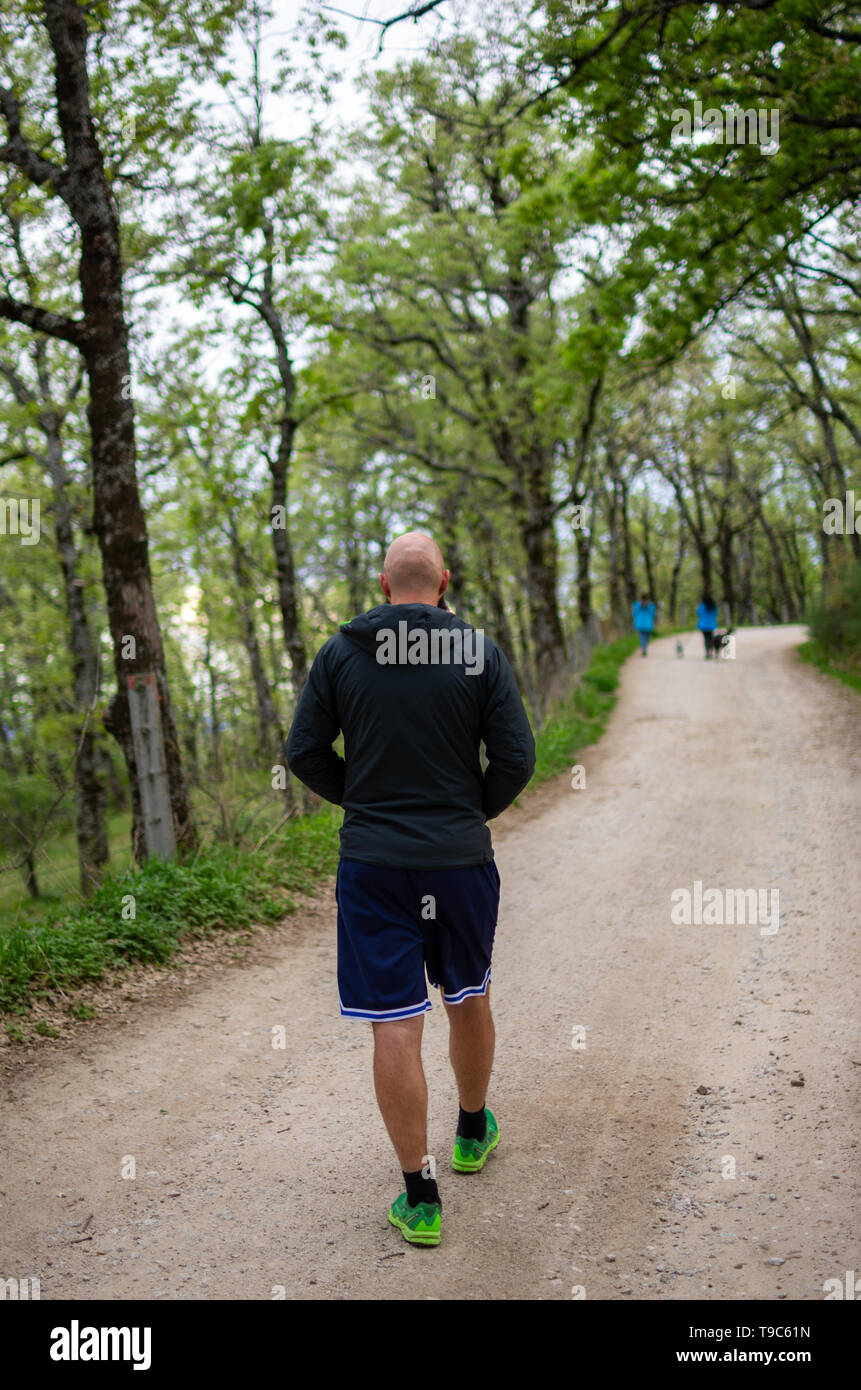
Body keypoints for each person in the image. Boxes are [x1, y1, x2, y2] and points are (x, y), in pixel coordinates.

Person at [285, 532, 535, 1248]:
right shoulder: (477, 652)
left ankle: (419, 1199)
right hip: (458, 862)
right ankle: (468, 1131)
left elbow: (303, 753)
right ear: (444, 582)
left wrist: (363, 806)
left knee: (394, 1022)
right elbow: (517, 756)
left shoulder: (340, 653)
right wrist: (467, 815)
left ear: (384, 583)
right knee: (467, 995)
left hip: (373, 866)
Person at [632, 592, 656, 656]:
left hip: (640, 623)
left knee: (642, 637)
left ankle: (644, 648)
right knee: (647, 637)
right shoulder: (651, 605)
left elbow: (634, 614)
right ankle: (644, 648)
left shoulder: (636, 604)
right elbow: (653, 614)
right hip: (648, 624)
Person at [697, 592, 720, 658]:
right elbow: (716, 613)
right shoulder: (713, 606)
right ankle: (711, 651)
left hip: (703, 625)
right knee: (711, 638)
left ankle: (707, 653)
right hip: (711, 625)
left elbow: (698, 613)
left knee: (706, 639)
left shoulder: (702, 606)